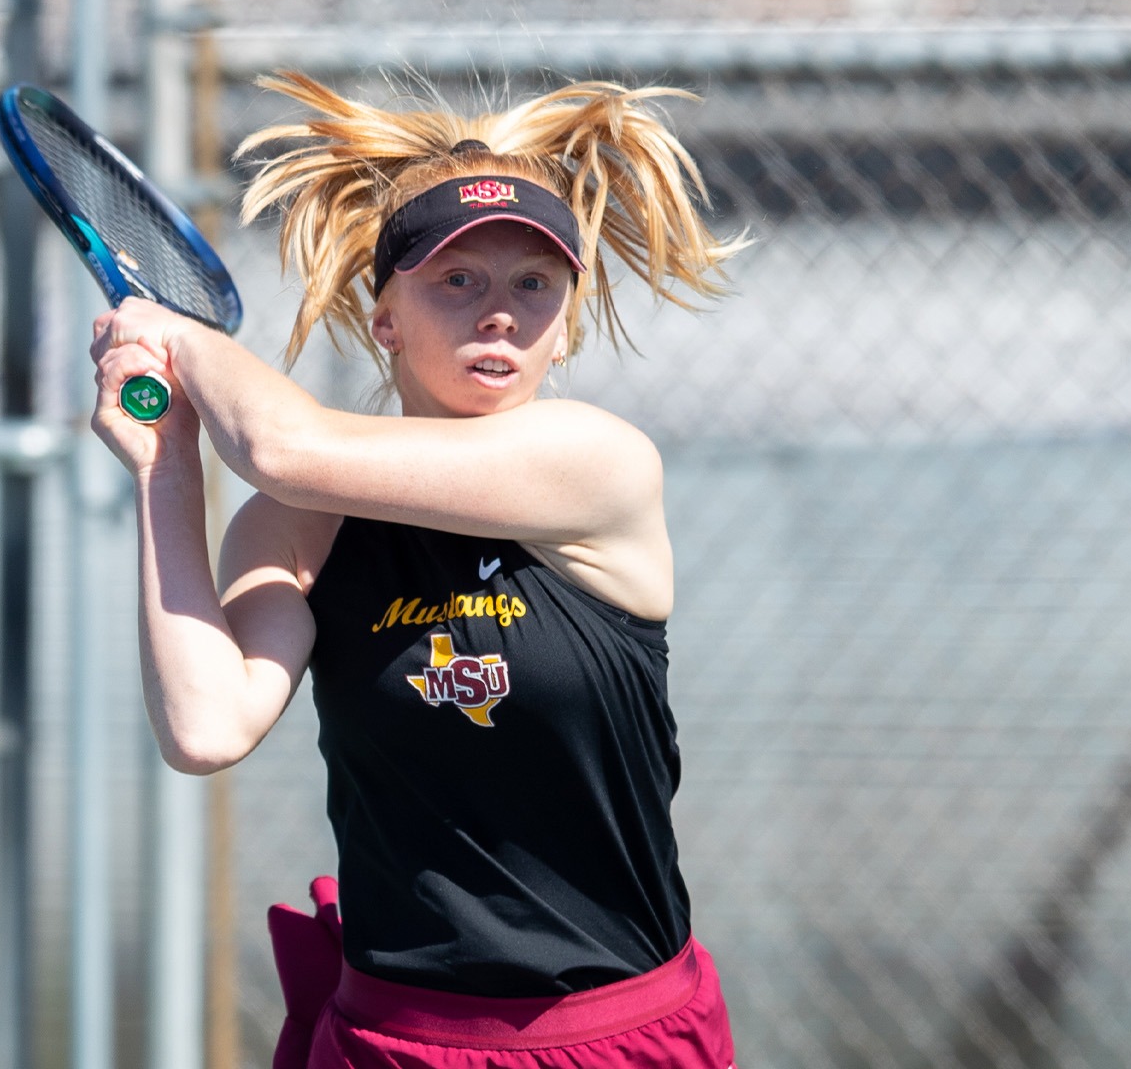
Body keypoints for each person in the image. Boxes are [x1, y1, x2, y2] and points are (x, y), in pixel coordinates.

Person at [89, 71, 746, 1068]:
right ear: (385, 318)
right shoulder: (301, 524)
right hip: (391, 1039)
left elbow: (281, 441)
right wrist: (165, 463)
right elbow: (205, 723)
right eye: (457, 280)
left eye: (534, 285)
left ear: (565, 322)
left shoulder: (597, 465)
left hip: (614, 1037)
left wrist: (177, 337)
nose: (499, 315)